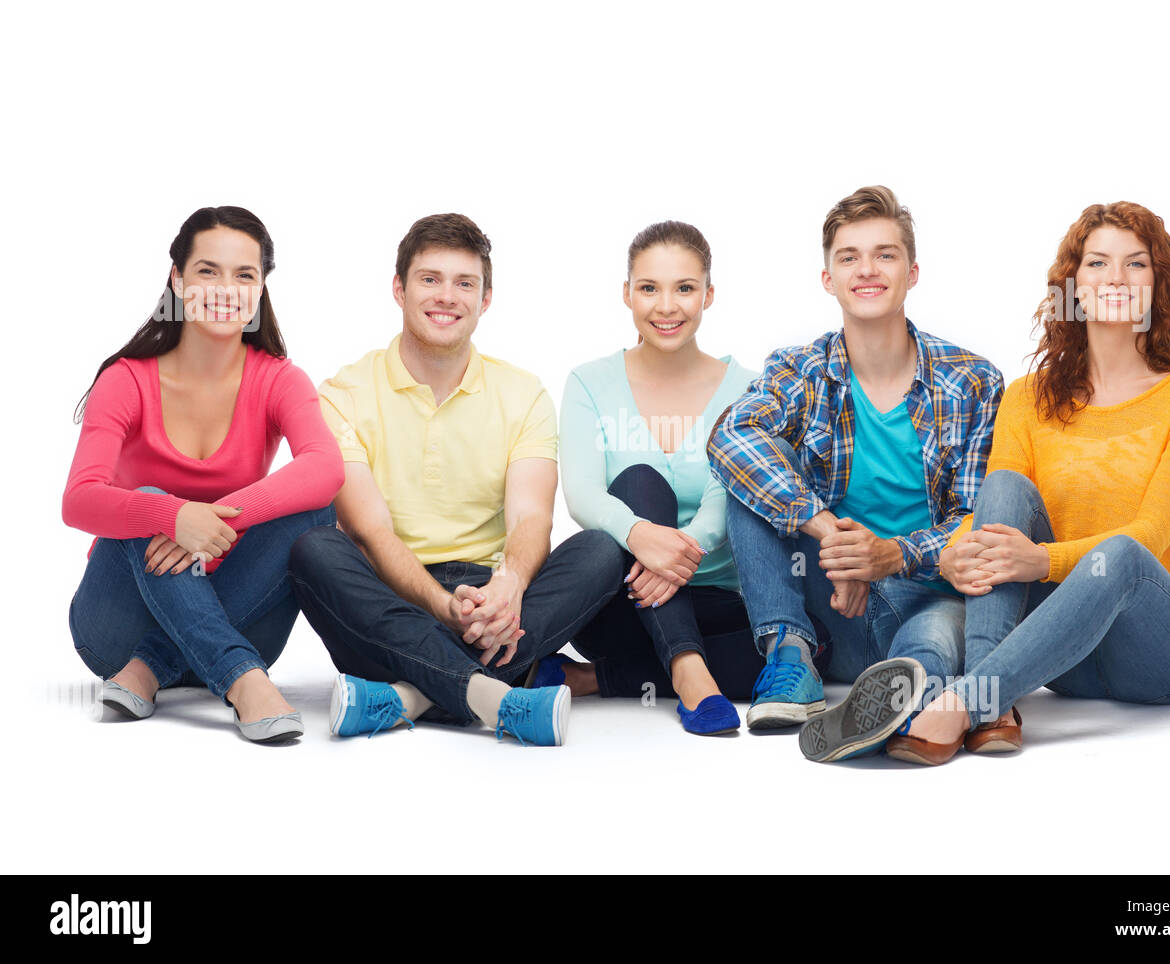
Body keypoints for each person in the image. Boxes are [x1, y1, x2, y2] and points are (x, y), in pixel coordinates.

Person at [887, 201, 1170, 765]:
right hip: (1063, 660)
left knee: (1121, 551)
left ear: (1158, 283)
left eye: (1136, 264)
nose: (1116, 278)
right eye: (1097, 263)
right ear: (1073, 284)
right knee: (1004, 490)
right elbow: (989, 519)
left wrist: (1041, 562)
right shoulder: (1027, 396)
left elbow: (1150, 534)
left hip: (1163, 653)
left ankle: (964, 700)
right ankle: (993, 705)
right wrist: (951, 554)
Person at [287, 213, 624, 747]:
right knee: (313, 549)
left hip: (494, 603)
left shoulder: (523, 394)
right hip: (387, 603)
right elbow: (371, 533)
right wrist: (442, 608)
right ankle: (495, 697)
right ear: (398, 289)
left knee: (602, 550)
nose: (447, 297)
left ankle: (406, 697)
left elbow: (533, 517)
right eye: (430, 279)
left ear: (485, 299)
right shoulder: (341, 394)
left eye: (465, 283)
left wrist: (508, 586)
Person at [708, 185, 1004, 761]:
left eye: (884, 255)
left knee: (937, 643)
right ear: (828, 278)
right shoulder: (800, 368)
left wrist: (889, 555)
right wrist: (834, 538)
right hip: (828, 602)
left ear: (912, 272)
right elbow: (730, 435)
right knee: (751, 470)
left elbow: (976, 516)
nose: (867, 270)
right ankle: (790, 661)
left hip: (926, 595)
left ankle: (898, 701)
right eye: (849, 257)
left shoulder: (973, 382)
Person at [63, 206, 344, 743]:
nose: (226, 289)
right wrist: (170, 513)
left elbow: (325, 469)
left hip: (241, 613)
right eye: (208, 271)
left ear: (261, 289)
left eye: (245, 275)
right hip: (117, 627)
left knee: (316, 506)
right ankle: (241, 681)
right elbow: (78, 500)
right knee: (143, 497)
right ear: (177, 279)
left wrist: (217, 524)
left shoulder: (280, 379)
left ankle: (151, 668)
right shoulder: (126, 380)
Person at [552, 221, 784, 735]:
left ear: (709, 294)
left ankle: (593, 680)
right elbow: (583, 494)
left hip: (718, 604)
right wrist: (641, 538)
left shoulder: (749, 387)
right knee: (640, 481)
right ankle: (688, 672)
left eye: (684, 288)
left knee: (803, 654)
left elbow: (733, 493)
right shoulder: (589, 382)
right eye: (649, 288)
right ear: (627, 294)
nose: (666, 306)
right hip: (621, 604)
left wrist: (676, 554)